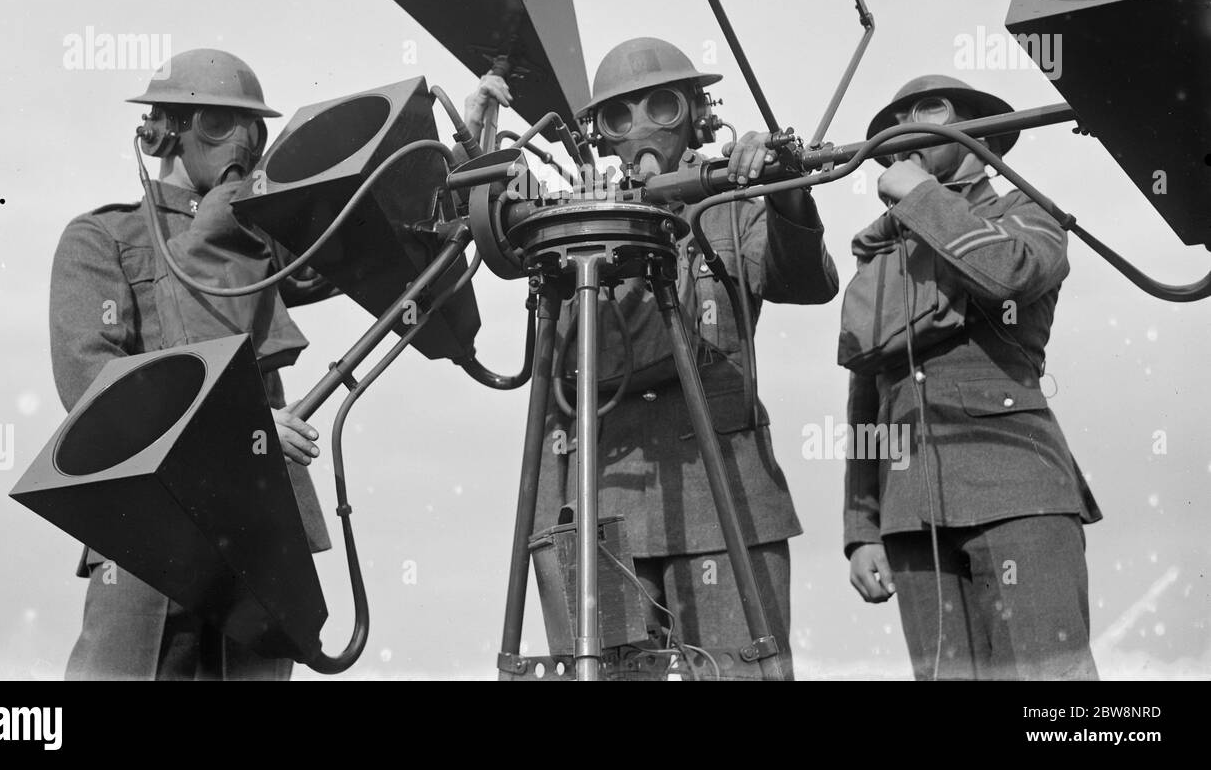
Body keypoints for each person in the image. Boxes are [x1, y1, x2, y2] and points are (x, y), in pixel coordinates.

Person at [467, 36, 839, 679]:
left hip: (720, 494)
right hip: (600, 504)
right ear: (599, 134)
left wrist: (784, 189)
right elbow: (477, 227)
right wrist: (477, 145)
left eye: (661, 106)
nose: (640, 127)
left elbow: (808, 279)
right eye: (618, 115)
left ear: (696, 113)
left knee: (738, 671)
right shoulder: (576, 215)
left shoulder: (730, 204)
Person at [49, 48, 336, 680]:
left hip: (259, 536)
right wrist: (240, 428)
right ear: (165, 129)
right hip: (148, 526)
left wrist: (470, 139)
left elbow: (373, 242)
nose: (242, 144)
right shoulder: (103, 237)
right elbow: (92, 387)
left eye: (252, 128)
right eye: (222, 123)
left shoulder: (259, 240)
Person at [840, 74, 1101, 681]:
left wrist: (921, 197)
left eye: (928, 115)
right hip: (911, 516)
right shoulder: (885, 252)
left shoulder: (1026, 213)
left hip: (1017, 491)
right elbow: (866, 392)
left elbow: (1008, 274)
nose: (907, 134)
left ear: (979, 138)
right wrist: (862, 528)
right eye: (896, 126)